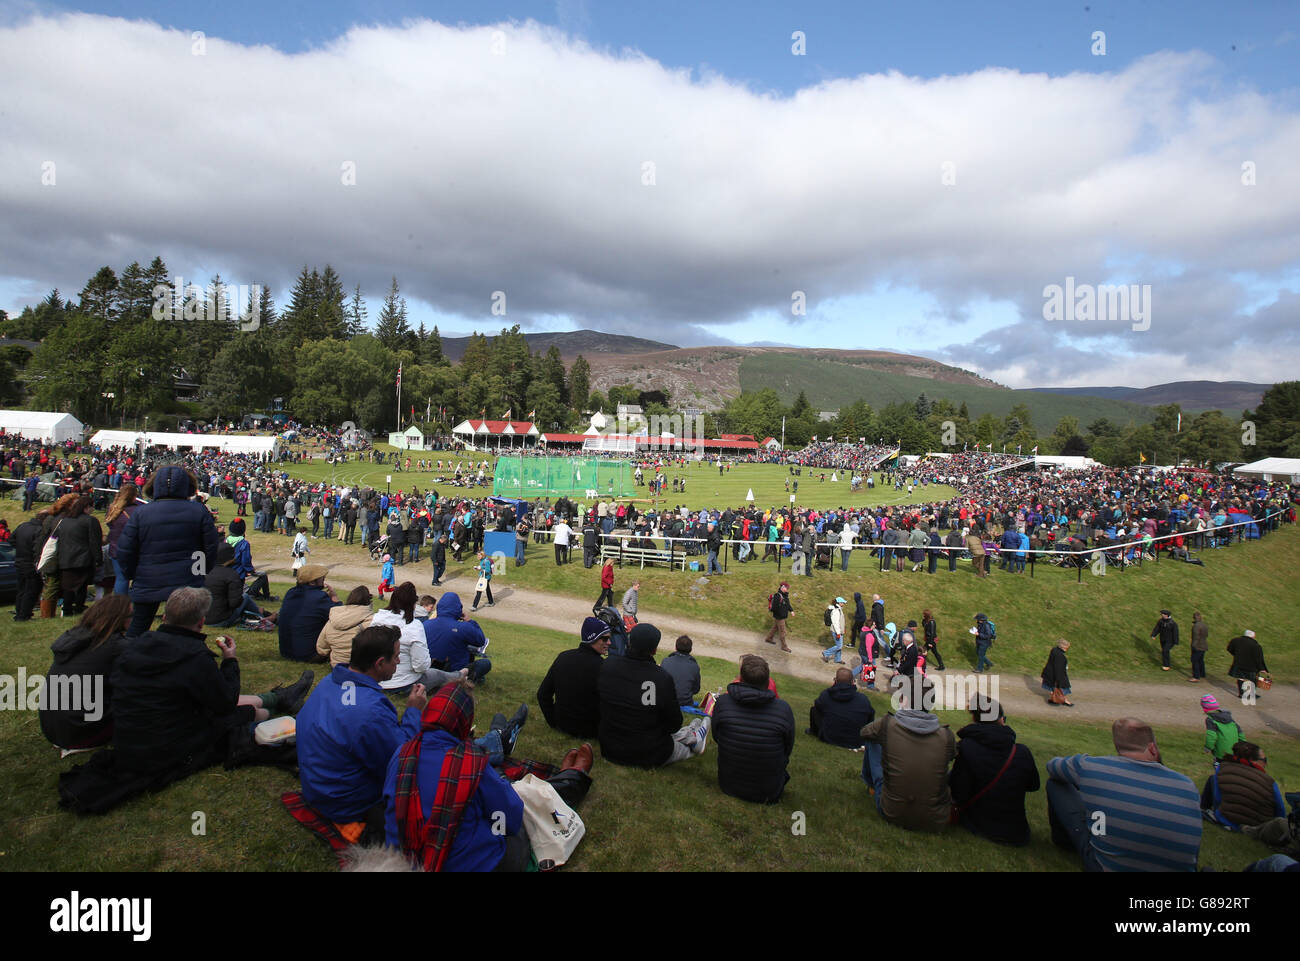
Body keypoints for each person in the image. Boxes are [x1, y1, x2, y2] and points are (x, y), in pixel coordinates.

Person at [383, 681, 594, 872]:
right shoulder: (470, 762)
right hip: (476, 864)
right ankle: (571, 777)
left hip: (405, 859)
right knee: (522, 805)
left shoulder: (402, 752)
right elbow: (510, 819)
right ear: (464, 722)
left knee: (498, 789)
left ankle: (506, 740)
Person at [108, 587, 314, 776]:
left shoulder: (138, 644)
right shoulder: (193, 655)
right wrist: (230, 660)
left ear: (164, 617)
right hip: (167, 742)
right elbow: (225, 702)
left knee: (225, 702)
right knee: (254, 713)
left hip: (131, 733)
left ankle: (280, 698)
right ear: (200, 622)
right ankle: (277, 708)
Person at [296, 625, 429, 838]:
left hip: (316, 786)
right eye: (395, 657)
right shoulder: (370, 710)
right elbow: (402, 760)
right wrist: (413, 711)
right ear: (379, 663)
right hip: (344, 802)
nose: (399, 662)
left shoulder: (330, 681)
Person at [1046, 718, 1202, 872]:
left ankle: (1064, 842)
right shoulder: (1187, 785)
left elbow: (1052, 766)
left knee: (1056, 784)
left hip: (1106, 867)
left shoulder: (1090, 767)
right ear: (1153, 748)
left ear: (1116, 745)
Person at [116, 467, 221, 638]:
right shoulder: (198, 511)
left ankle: (129, 657)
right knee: (184, 630)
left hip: (149, 579)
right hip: (186, 579)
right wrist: (200, 572)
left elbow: (126, 549)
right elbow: (209, 548)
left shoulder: (141, 513)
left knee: (138, 627)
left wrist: (133, 574)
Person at [597, 623, 709, 767]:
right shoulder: (661, 678)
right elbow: (673, 724)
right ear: (654, 650)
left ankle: (692, 733)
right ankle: (694, 737)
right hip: (648, 754)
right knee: (685, 748)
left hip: (609, 747)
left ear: (629, 643)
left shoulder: (608, 665)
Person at [860, 676, 956, 832]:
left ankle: (872, 786)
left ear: (904, 699)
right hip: (935, 819)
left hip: (892, 811)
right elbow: (951, 755)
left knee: (873, 740)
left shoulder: (887, 724)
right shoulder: (946, 736)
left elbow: (864, 732)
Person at [38, 594, 131, 751]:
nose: (132, 619)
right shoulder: (114, 646)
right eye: (130, 615)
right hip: (81, 733)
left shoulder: (76, 639)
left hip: (53, 729)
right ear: (119, 619)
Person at [949, 696, 1040, 846]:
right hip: (1016, 832)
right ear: (1002, 720)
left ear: (974, 719)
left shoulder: (967, 747)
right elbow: (1033, 785)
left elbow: (959, 793)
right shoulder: (1022, 752)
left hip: (978, 824)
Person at [711, 655, 795, 804]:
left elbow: (717, 736)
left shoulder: (723, 703)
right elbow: (787, 748)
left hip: (729, 784)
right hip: (768, 791)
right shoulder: (783, 709)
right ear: (768, 681)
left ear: (740, 678)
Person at [376, 582, 466, 693]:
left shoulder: (377, 618)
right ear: (413, 604)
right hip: (404, 683)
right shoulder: (414, 626)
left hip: (377, 679)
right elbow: (421, 666)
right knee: (437, 674)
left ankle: (458, 674)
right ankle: (460, 675)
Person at [537, 617, 610, 738]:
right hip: (591, 731)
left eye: (609, 638)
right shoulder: (603, 667)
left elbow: (543, 694)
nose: (609, 642)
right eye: (605, 639)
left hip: (562, 724)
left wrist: (553, 722)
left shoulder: (563, 657)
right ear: (593, 638)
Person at [1200, 742, 1286, 830]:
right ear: (1253, 760)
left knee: (1213, 778)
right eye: (1264, 760)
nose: (1265, 764)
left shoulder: (1223, 768)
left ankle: (1203, 808)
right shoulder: (1270, 782)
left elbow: (1218, 798)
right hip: (1258, 826)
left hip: (1227, 820)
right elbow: (1280, 810)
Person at [424, 592, 492, 683]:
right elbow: (480, 640)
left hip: (431, 670)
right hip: (455, 671)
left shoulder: (426, 624)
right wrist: (470, 621)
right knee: (485, 663)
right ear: (458, 609)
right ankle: (467, 679)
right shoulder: (463, 627)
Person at [53, 494, 103, 617]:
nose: (93, 509)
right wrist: (98, 558)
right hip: (83, 558)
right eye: (92, 506)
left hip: (65, 558)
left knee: (68, 587)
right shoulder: (90, 521)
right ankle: (79, 607)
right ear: (87, 507)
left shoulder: (64, 521)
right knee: (82, 586)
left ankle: (67, 608)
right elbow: (95, 541)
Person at [278, 565, 340, 661]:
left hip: (286, 651)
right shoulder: (319, 597)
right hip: (308, 654)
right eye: (321, 577)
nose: (324, 578)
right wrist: (334, 598)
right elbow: (339, 617)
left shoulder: (290, 593)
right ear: (312, 582)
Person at [807, 667, 874, 748]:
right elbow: (870, 719)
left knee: (815, 709)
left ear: (835, 681)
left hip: (830, 737)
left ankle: (814, 731)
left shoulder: (826, 695)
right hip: (855, 741)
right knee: (816, 708)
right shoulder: (863, 700)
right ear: (853, 682)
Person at [205, 543, 268, 629]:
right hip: (221, 620)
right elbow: (235, 603)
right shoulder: (231, 574)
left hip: (202, 618)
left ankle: (259, 614)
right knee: (245, 597)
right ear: (230, 558)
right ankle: (262, 618)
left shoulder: (205, 571)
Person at [315, 586, 376, 667]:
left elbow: (322, 647)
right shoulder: (371, 620)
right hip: (360, 666)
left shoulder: (332, 619)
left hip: (337, 665)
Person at [10, 512, 43, 621]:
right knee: (31, 590)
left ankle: (19, 612)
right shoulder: (39, 530)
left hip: (20, 561)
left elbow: (11, 540)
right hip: (30, 562)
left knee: (21, 589)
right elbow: (37, 547)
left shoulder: (22, 526)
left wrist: (20, 548)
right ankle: (25, 614)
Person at [660, 635, 701, 706]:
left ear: (675, 647)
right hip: (685, 702)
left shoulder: (666, 661)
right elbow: (696, 689)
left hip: (665, 699)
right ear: (691, 649)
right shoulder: (694, 666)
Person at [1200, 694, 1243, 761]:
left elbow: (1211, 735)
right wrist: (1243, 745)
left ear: (1204, 708)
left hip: (1221, 752)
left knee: (1219, 768)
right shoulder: (1229, 717)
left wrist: (1208, 747)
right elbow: (1240, 732)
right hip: (1234, 751)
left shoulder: (1210, 720)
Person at [1227, 629, 1268, 699]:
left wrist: (1236, 655)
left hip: (1238, 664)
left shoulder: (1235, 641)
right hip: (1251, 667)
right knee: (1253, 680)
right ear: (1253, 636)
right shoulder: (1256, 645)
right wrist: (1262, 668)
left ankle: (1241, 694)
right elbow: (1258, 659)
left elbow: (1229, 649)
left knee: (1240, 678)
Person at [1040, 638, 1073, 706]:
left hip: (1049, 673)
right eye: (1067, 647)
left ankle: (1053, 699)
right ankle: (1064, 700)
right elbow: (1058, 669)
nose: (1067, 649)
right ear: (1063, 647)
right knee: (1062, 689)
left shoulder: (1054, 650)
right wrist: (1059, 680)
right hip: (1056, 675)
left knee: (1052, 688)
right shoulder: (1060, 656)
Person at [763, 581, 793, 653]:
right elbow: (774, 608)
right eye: (786, 588)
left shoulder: (785, 596)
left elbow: (788, 604)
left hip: (781, 617)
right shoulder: (777, 596)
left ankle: (768, 638)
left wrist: (791, 611)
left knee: (775, 628)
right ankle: (784, 646)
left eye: (787, 588)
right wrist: (779, 615)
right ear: (782, 588)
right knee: (783, 632)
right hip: (780, 617)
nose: (787, 589)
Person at [821, 596, 847, 664]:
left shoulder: (838, 609)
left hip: (839, 630)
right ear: (839, 603)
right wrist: (838, 633)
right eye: (843, 602)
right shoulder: (836, 610)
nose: (844, 603)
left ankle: (837, 659)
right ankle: (826, 653)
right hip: (836, 631)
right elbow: (835, 623)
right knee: (839, 646)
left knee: (839, 646)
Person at [1189, 610, 1209, 682]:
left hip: (1198, 645)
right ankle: (1202, 674)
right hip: (1204, 644)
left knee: (1194, 660)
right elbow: (1206, 635)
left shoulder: (1196, 626)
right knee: (1201, 660)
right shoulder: (1204, 625)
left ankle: (1196, 676)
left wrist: (1193, 645)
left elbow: (1195, 637)